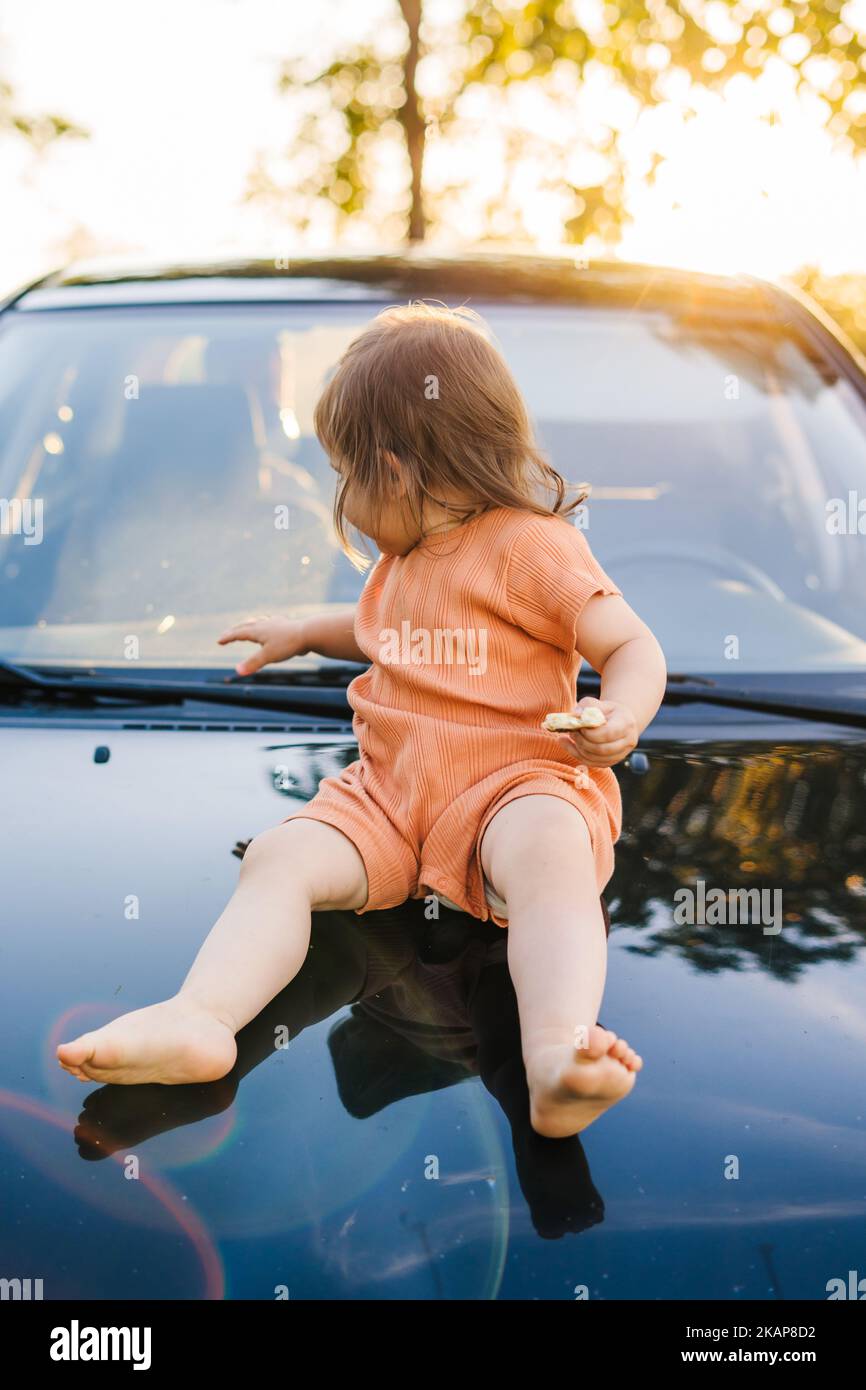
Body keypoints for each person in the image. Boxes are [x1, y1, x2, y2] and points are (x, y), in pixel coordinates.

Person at [58, 302, 667, 1138]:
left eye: (344, 474)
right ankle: (200, 1018)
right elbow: (386, 631)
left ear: (393, 469)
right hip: (390, 796)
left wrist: (621, 713)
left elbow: (629, 641)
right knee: (279, 857)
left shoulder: (532, 549)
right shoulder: (402, 559)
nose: (342, 494)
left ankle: (556, 1056)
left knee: (550, 856)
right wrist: (306, 630)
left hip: (511, 786)